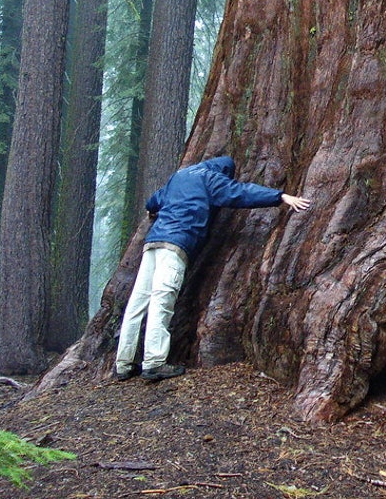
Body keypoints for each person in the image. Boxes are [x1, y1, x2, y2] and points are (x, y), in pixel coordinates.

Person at [114, 155, 310, 382]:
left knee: (138, 302)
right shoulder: (210, 178)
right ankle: (154, 363)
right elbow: (240, 192)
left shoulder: (179, 176)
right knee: (162, 300)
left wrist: (152, 210)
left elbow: (154, 200)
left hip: (153, 243)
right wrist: (280, 196)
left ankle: (123, 364)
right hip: (176, 244)